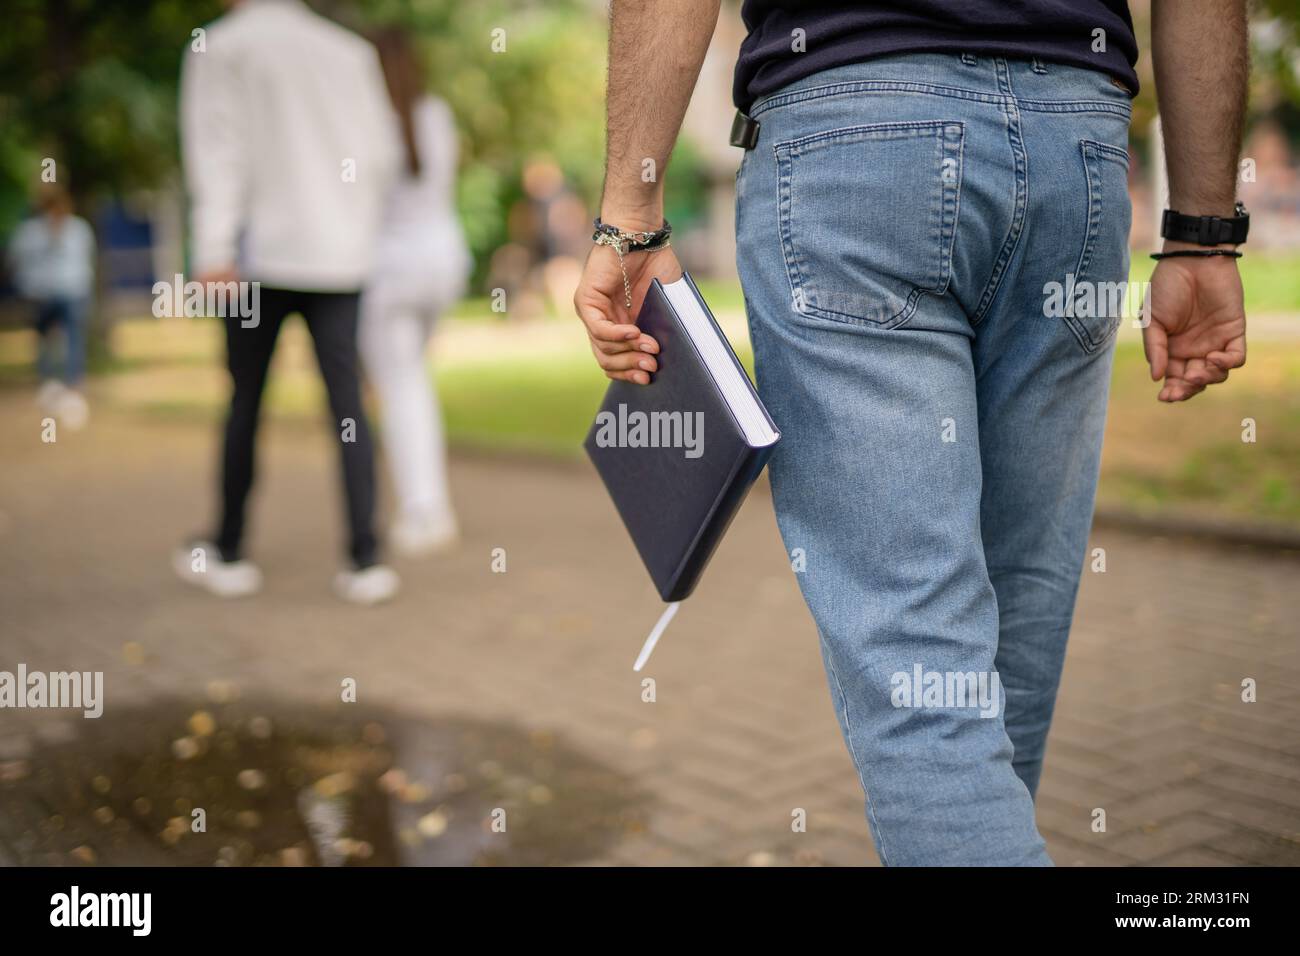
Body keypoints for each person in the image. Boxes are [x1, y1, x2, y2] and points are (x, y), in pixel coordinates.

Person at [574, 0, 1249, 864]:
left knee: (926, 684)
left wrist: (629, 213)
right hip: (1073, 150)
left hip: (851, 141)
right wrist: (1203, 235)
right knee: (1010, 647)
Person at [173, 0, 401, 603]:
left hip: (257, 257)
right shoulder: (349, 51)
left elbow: (217, 152)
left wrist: (213, 249)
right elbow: (381, 157)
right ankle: (365, 558)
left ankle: (228, 548)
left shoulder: (218, 45)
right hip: (340, 257)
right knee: (347, 403)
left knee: (246, 399)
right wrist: (355, 230)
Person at [360, 29, 470, 556]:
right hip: (444, 264)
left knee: (401, 388)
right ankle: (427, 502)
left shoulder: (363, 123)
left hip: (390, 274)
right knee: (414, 383)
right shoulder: (438, 115)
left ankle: (424, 509)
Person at [8, 183, 95, 430]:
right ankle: (49, 383)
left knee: (72, 338)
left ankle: (72, 386)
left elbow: (85, 259)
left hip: (72, 291)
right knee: (45, 338)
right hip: (42, 294)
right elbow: (18, 261)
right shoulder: (31, 233)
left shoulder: (78, 229)